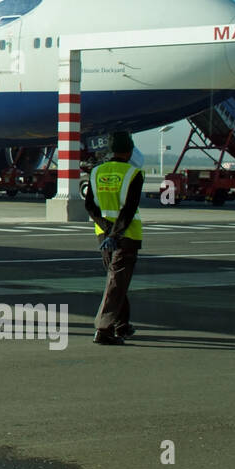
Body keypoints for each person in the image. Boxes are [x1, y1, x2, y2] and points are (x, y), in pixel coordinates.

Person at [83, 131, 144, 345]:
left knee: (116, 280)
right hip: (126, 236)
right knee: (117, 282)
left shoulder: (96, 172)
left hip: (103, 237)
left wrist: (107, 230)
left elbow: (89, 206)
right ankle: (104, 330)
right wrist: (117, 233)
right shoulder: (133, 173)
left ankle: (121, 325)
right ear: (129, 151)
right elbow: (129, 209)